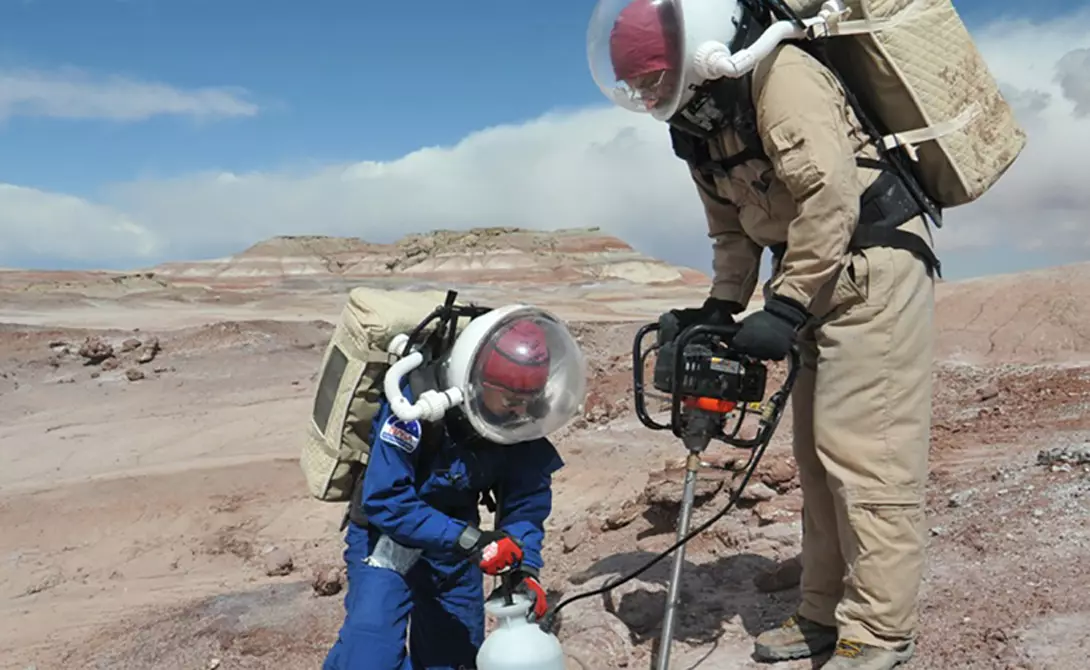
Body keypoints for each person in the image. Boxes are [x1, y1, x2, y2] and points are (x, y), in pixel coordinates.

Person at [591, 1, 939, 668]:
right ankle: (820, 611)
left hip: (872, 266)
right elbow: (731, 228)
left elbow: (830, 196)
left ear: (696, 51)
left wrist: (785, 306)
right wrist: (723, 305)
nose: (649, 93)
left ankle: (880, 634)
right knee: (814, 457)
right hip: (814, 279)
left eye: (653, 77)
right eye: (640, 85)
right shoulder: (698, 123)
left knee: (864, 455)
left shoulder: (780, 75)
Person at [322, 315, 576, 670]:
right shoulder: (414, 403)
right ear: (478, 382)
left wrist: (524, 569)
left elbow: (525, 502)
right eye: (510, 398)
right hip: (387, 539)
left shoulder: (519, 419)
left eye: (528, 398)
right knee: (369, 658)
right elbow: (385, 500)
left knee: (453, 660)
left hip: (455, 547)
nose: (519, 409)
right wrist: (470, 541)